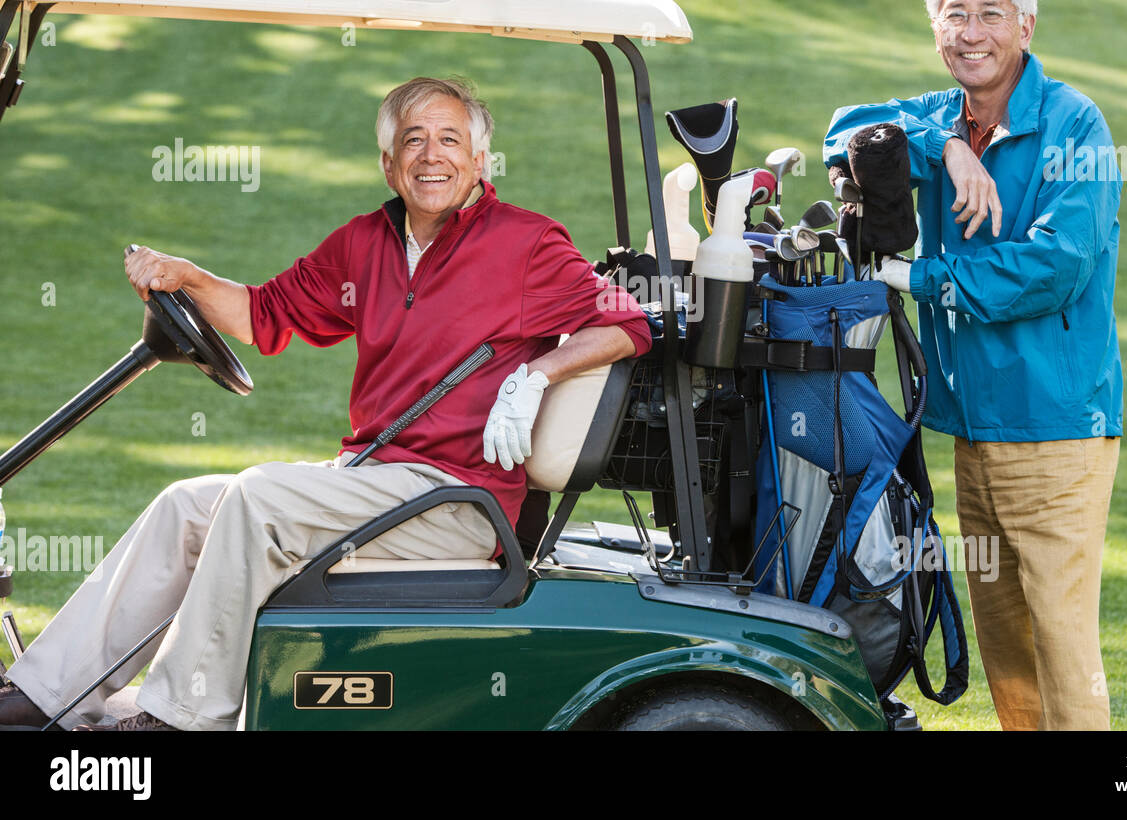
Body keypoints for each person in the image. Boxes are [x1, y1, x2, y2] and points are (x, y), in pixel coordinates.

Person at [0, 77, 651, 731]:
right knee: (184, 507)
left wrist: (536, 374)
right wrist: (188, 278)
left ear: (479, 161)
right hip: (372, 480)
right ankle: (45, 692)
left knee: (257, 499)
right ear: (388, 164)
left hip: (458, 500)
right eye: (412, 141)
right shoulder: (364, 243)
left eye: (450, 140)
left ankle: (182, 716)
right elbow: (265, 314)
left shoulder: (526, 245)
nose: (431, 156)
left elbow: (629, 323)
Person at [823, 0, 1123, 730]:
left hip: (1056, 427)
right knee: (1005, 641)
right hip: (973, 428)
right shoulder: (937, 115)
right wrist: (949, 146)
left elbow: (1055, 267)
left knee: (1060, 640)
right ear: (935, 28)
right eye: (955, 13)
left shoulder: (1074, 124)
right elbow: (845, 130)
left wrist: (917, 278)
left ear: (1026, 26)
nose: (971, 31)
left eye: (990, 13)